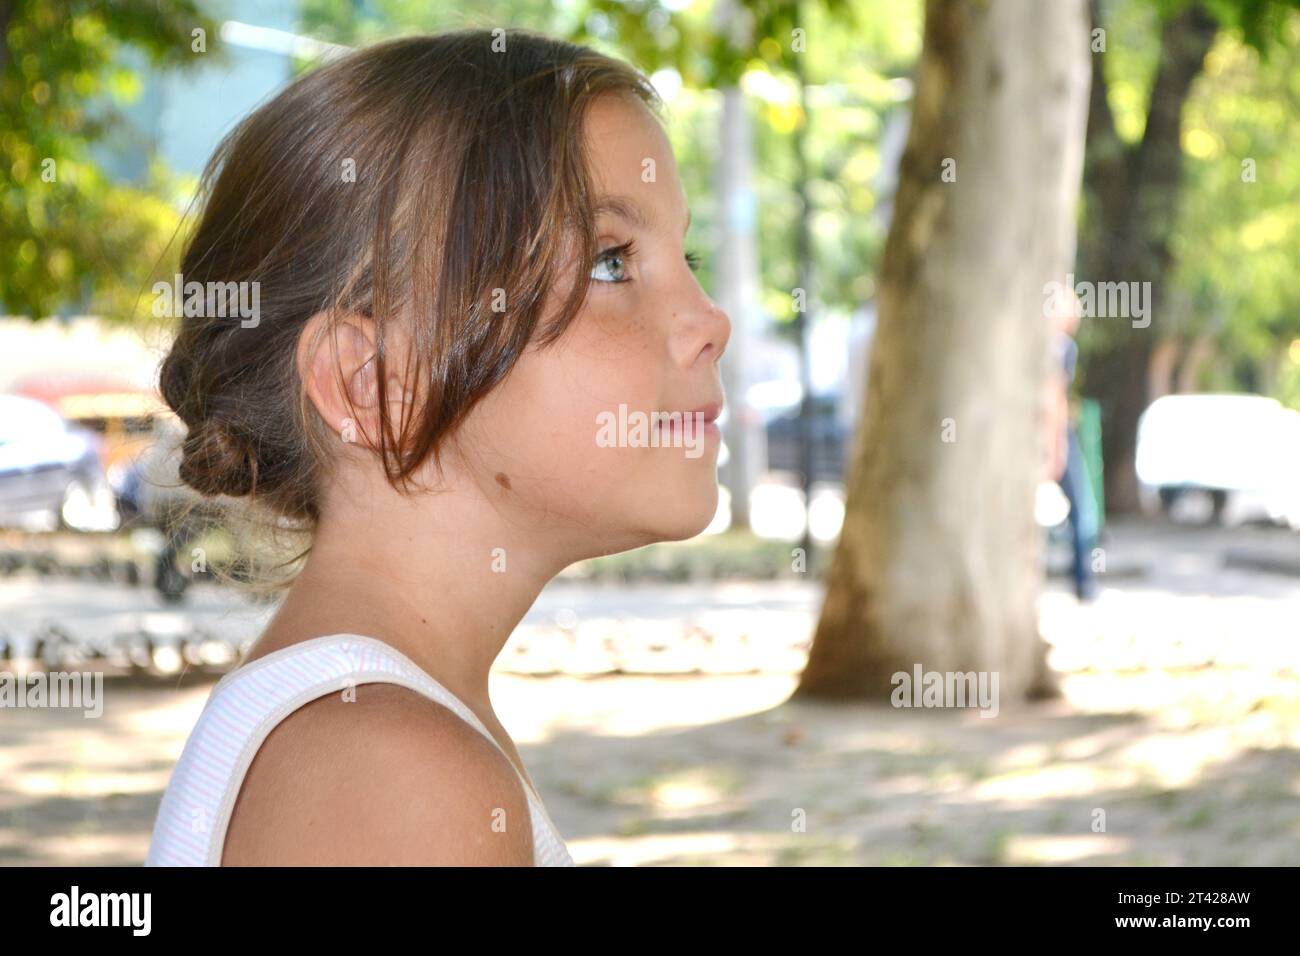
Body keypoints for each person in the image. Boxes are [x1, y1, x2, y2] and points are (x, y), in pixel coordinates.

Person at [144, 29, 729, 866]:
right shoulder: (392, 774)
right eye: (610, 262)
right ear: (371, 385)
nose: (711, 320)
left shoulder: (385, 733)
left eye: (689, 256)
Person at [1046, 289, 1097, 602]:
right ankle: (1083, 582)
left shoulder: (1037, 345)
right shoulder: (1061, 348)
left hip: (1039, 435)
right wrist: (1058, 446)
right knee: (1081, 511)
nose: (1077, 314)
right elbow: (1056, 398)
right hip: (1055, 436)